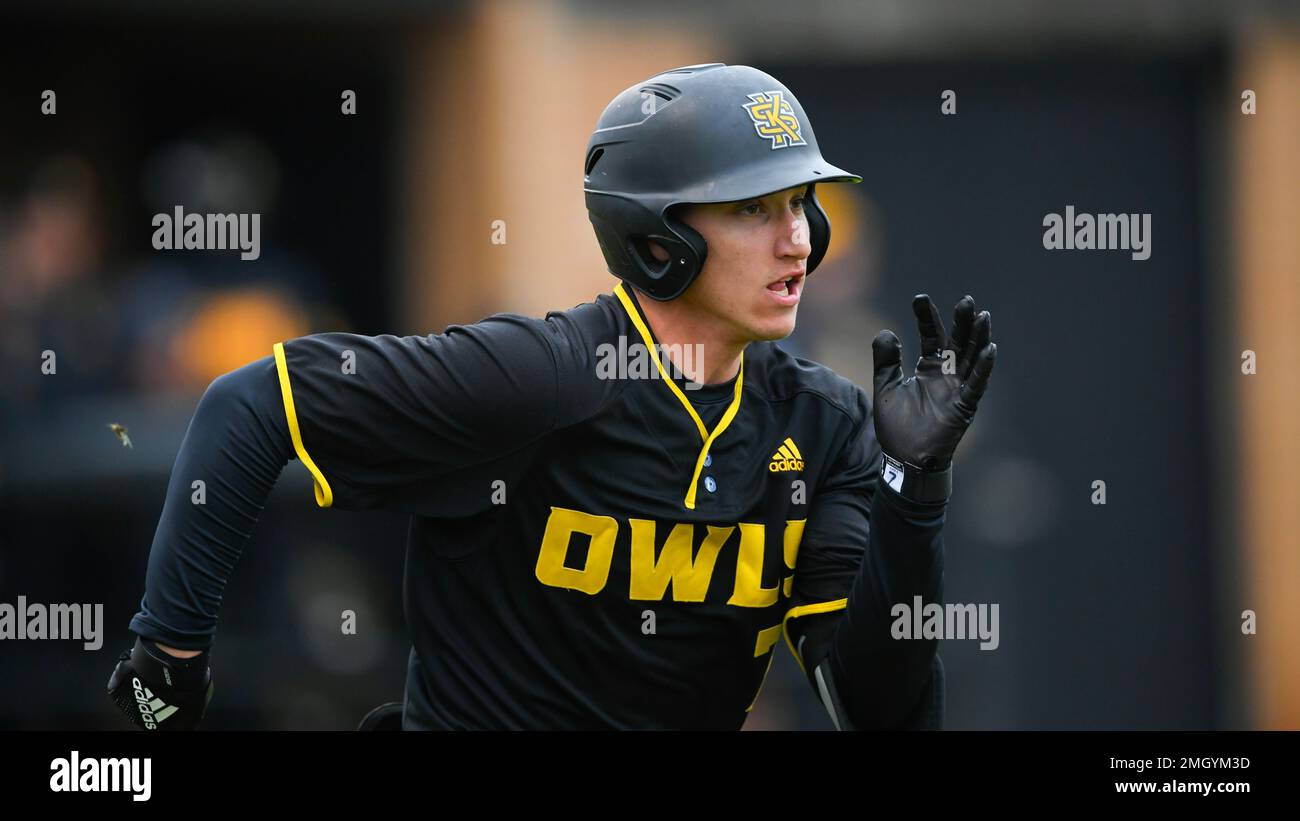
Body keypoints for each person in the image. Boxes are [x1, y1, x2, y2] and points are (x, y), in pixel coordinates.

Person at [108, 62, 997, 730]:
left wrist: (912, 497)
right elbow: (251, 403)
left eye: (802, 203)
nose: (798, 239)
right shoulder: (542, 374)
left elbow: (879, 714)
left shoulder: (827, 425)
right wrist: (168, 657)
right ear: (658, 238)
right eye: (755, 209)